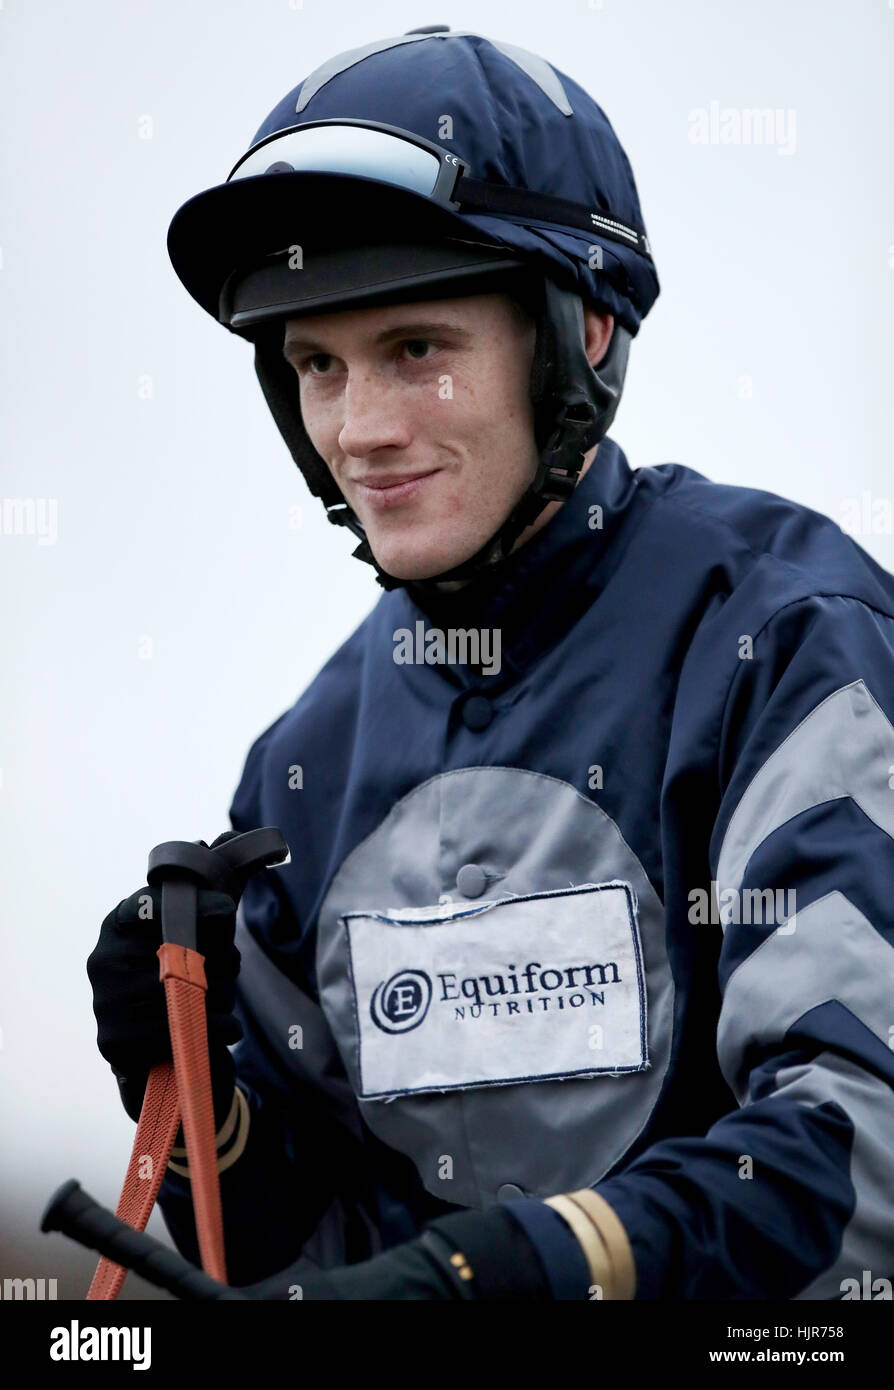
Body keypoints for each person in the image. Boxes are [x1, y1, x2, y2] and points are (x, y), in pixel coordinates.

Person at [88, 27, 894, 1300]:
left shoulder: (787, 638)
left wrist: (510, 1274)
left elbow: (864, 1160)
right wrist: (204, 1104)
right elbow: (298, 1252)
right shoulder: (309, 759)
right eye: (317, 366)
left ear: (580, 335)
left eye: (417, 349)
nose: (361, 429)